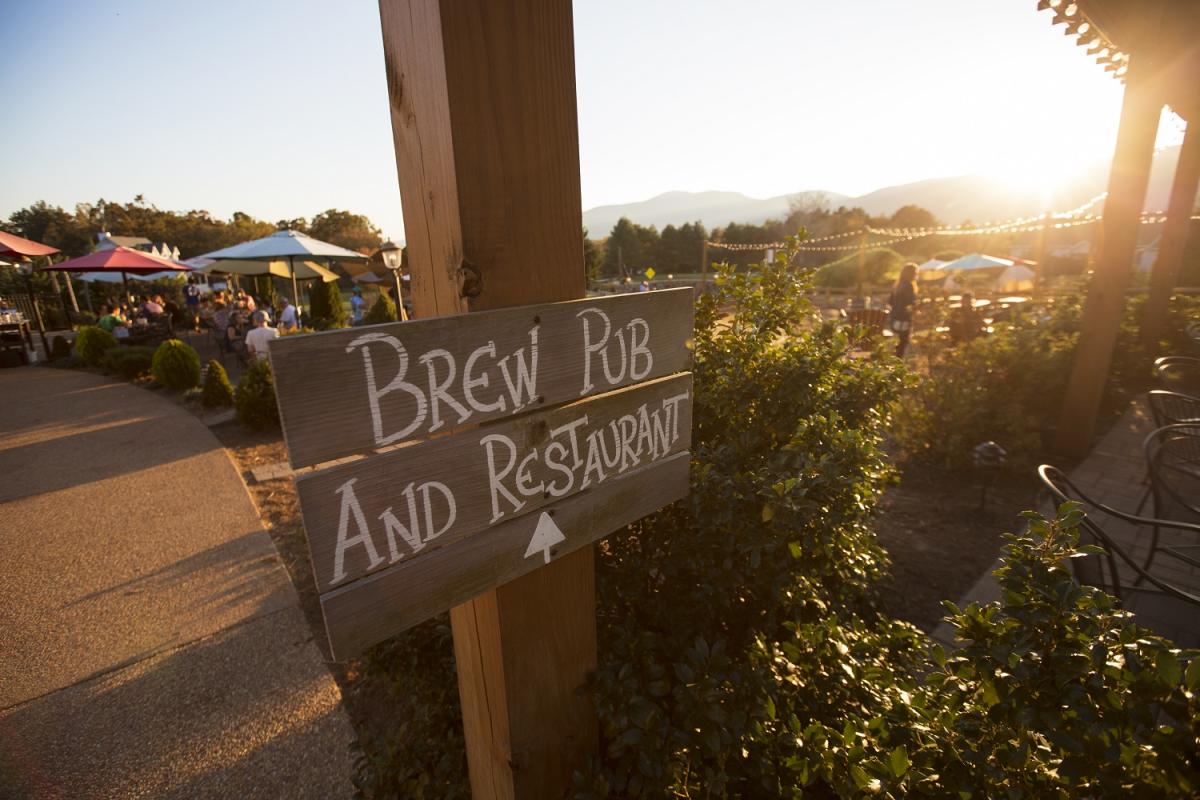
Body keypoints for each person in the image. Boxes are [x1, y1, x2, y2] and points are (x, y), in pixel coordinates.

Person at [888, 262, 918, 357]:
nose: (916, 275)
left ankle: (895, 359)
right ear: (912, 274)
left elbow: (890, 301)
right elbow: (910, 303)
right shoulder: (909, 285)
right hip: (904, 317)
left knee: (899, 341)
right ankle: (898, 362)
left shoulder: (897, 285)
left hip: (895, 317)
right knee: (903, 341)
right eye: (916, 273)